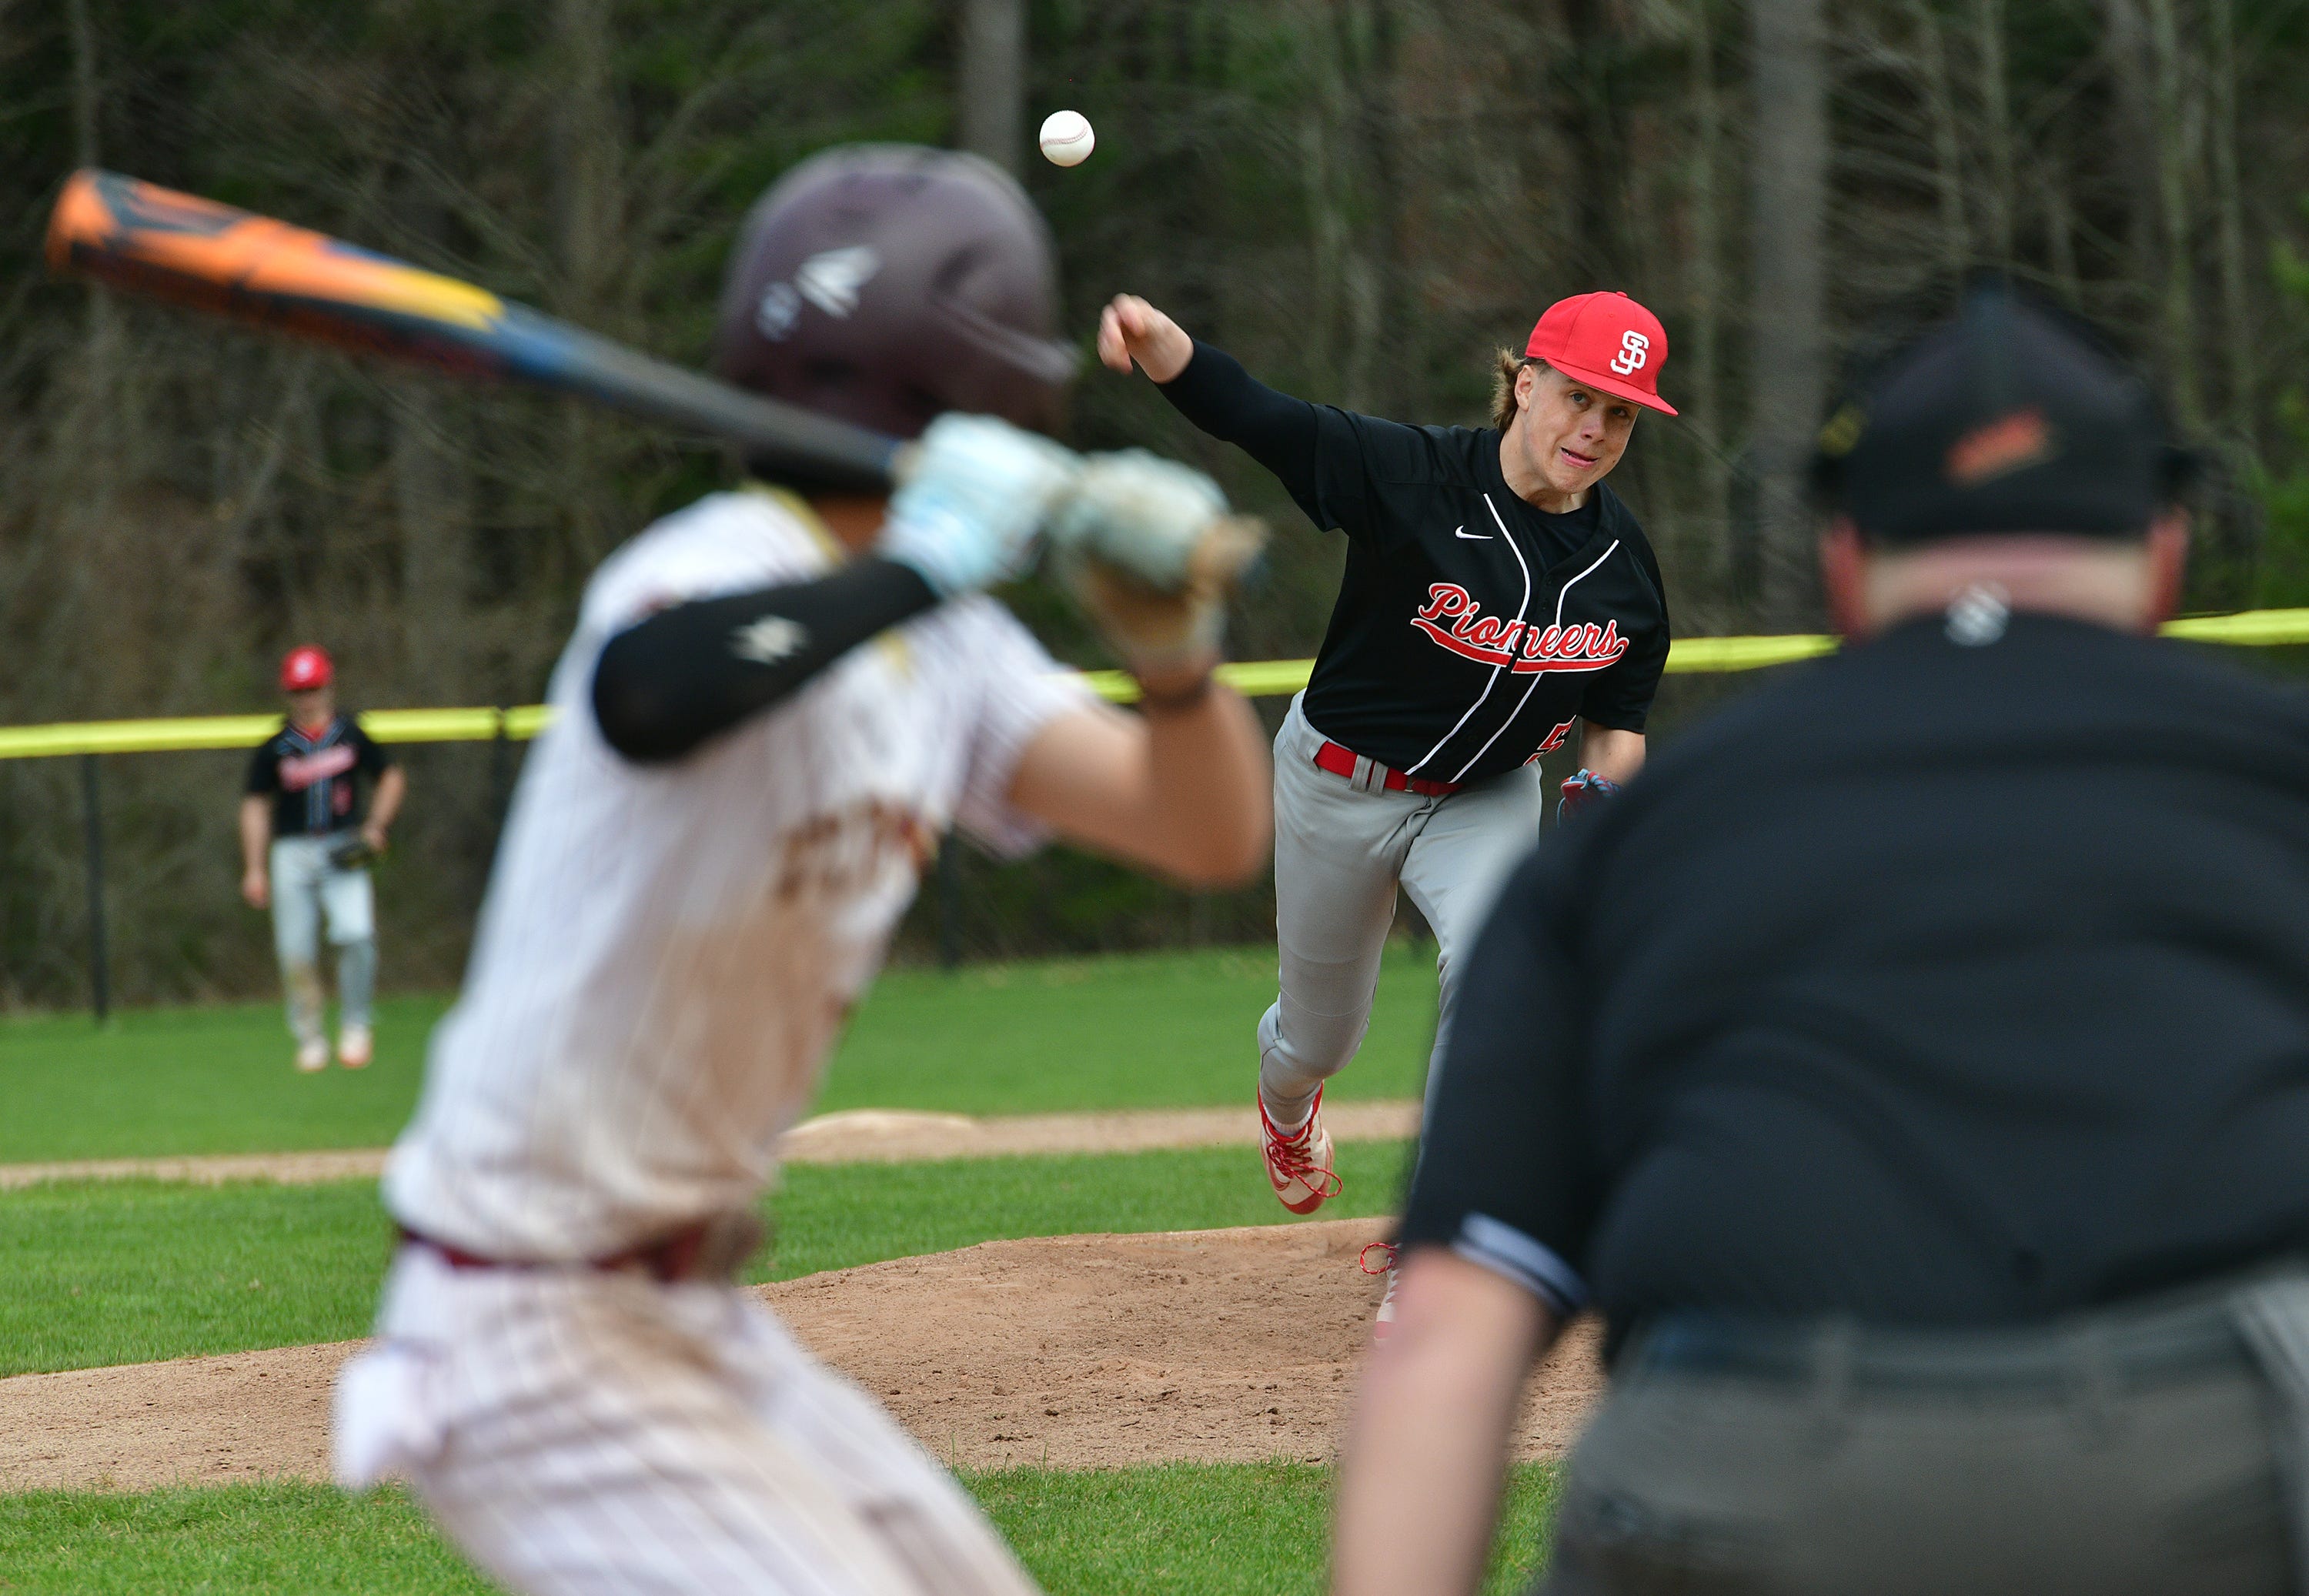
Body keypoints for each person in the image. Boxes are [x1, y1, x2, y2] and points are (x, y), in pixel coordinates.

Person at [330, 144, 1271, 1596]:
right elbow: (652, 692)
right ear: (991, 385)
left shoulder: (949, 651)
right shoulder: (706, 566)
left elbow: (1207, 833)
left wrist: (1168, 651)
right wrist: (935, 555)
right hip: (526, 1321)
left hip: (687, 1313)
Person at [1332, 283, 2309, 1596]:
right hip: (2212, 1467)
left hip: (1736, 1469)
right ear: (2168, 546)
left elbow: (1453, 1329)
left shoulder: (1649, 834)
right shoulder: (2276, 776)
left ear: (1843, 559)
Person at [1097, 291, 1675, 1276]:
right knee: (1320, 1036)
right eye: (1580, 397)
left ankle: (1444, 1242)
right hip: (1338, 783)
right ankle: (1288, 1105)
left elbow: (1617, 724)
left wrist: (1605, 819)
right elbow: (1260, 416)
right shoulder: (1413, 476)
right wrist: (1164, 348)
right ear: (1524, 382)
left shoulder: (1625, 568)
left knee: (1497, 973)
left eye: (1621, 412)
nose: (1596, 428)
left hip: (1486, 795)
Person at [240, 644, 404, 1071]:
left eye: (312, 689)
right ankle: (310, 1037)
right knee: (295, 950)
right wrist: (255, 868)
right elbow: (255, 805)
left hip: (342, 846)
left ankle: (355, 1024)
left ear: (327, 688)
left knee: (356, 934)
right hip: (292, 852)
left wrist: (376, 826)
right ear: (287, 694)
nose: (306, 699)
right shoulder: (277, 747)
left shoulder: (350, 733)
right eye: (298, 691)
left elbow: (390, 776)